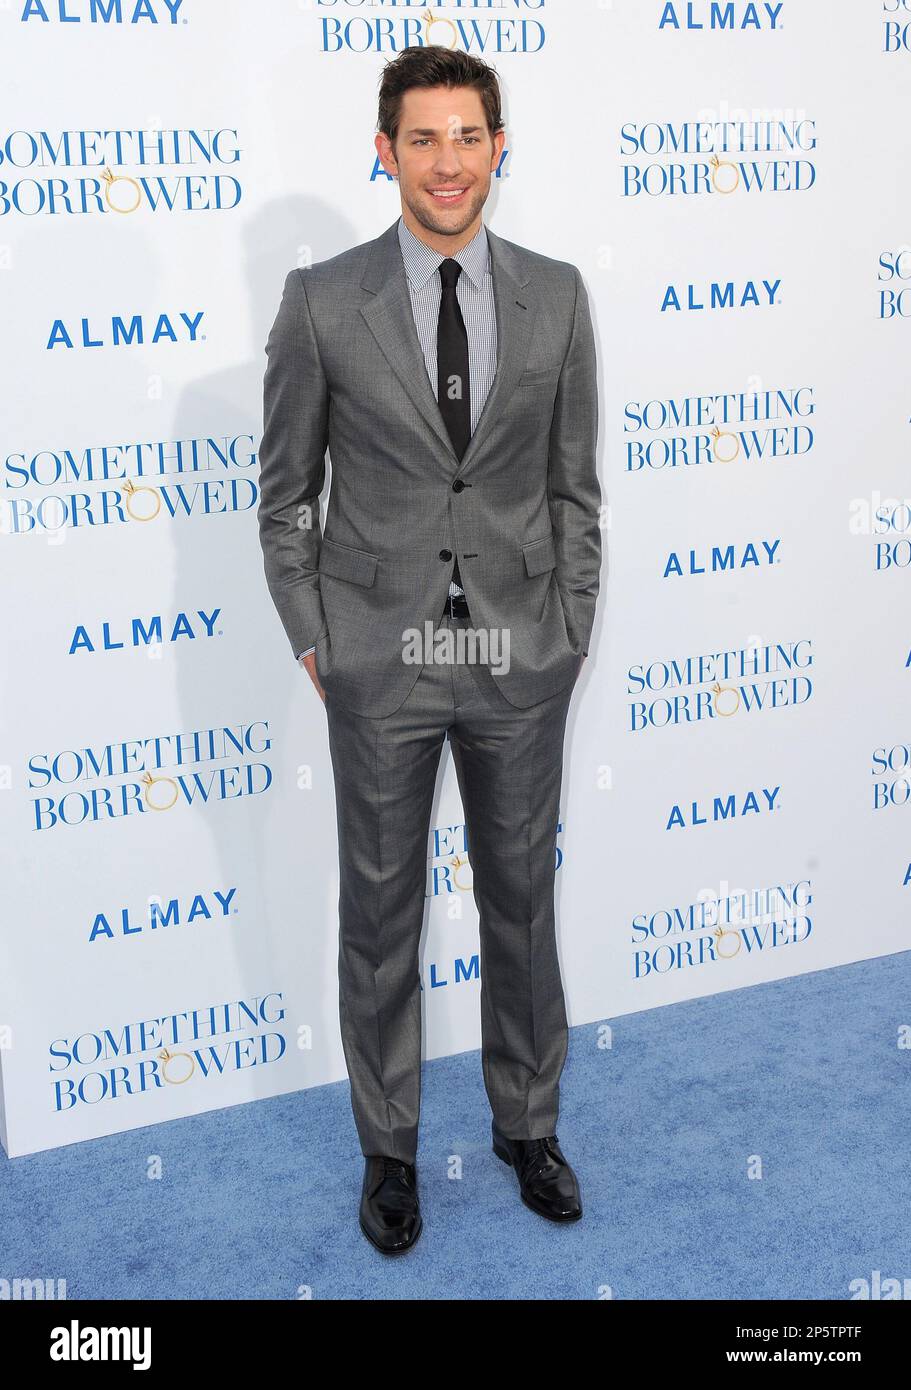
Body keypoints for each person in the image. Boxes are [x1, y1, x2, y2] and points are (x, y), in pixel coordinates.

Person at [257, 45, 601, 1254]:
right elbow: (283, 495)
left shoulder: (557, 295)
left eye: (468, 136)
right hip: (379, 664)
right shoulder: (321, 301)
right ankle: (390, 1150)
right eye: (422, 138)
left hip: (520, 660)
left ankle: (526, 1124)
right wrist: (319, 640)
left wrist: (567, 632)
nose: (447, 162)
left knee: (520, 905)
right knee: (381, 912)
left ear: (498, 147)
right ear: (384, 149)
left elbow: (573, 494)